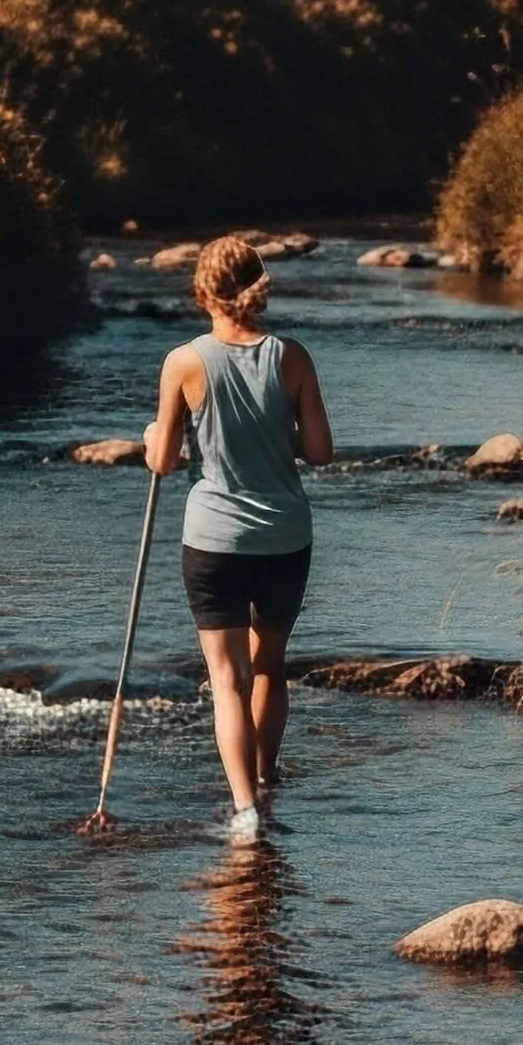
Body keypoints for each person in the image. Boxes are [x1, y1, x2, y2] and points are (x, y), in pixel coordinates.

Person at [144, 238, 336, 844]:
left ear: (201, 291)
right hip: (283, 537)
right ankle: (267, 778)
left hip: (213, 542)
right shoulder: (293, 357)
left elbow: (164, 461)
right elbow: (321, 452)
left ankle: (245, 809)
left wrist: (156, 432)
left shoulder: (183, 362)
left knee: (225, 680)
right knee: (269, 667)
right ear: (260, 287)